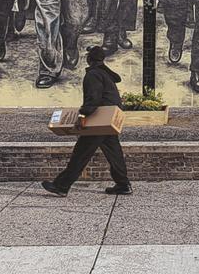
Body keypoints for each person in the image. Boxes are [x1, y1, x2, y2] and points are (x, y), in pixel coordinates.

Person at [41, 45, 132, 197]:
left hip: (98, 119)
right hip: (108, 119)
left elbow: (93, 98)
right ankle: (123, 185)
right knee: (114, 154)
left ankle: (61, 186)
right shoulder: (106, 74)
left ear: (89, 59)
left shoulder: (93, 75)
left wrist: (83, 115)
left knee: (81, 153)